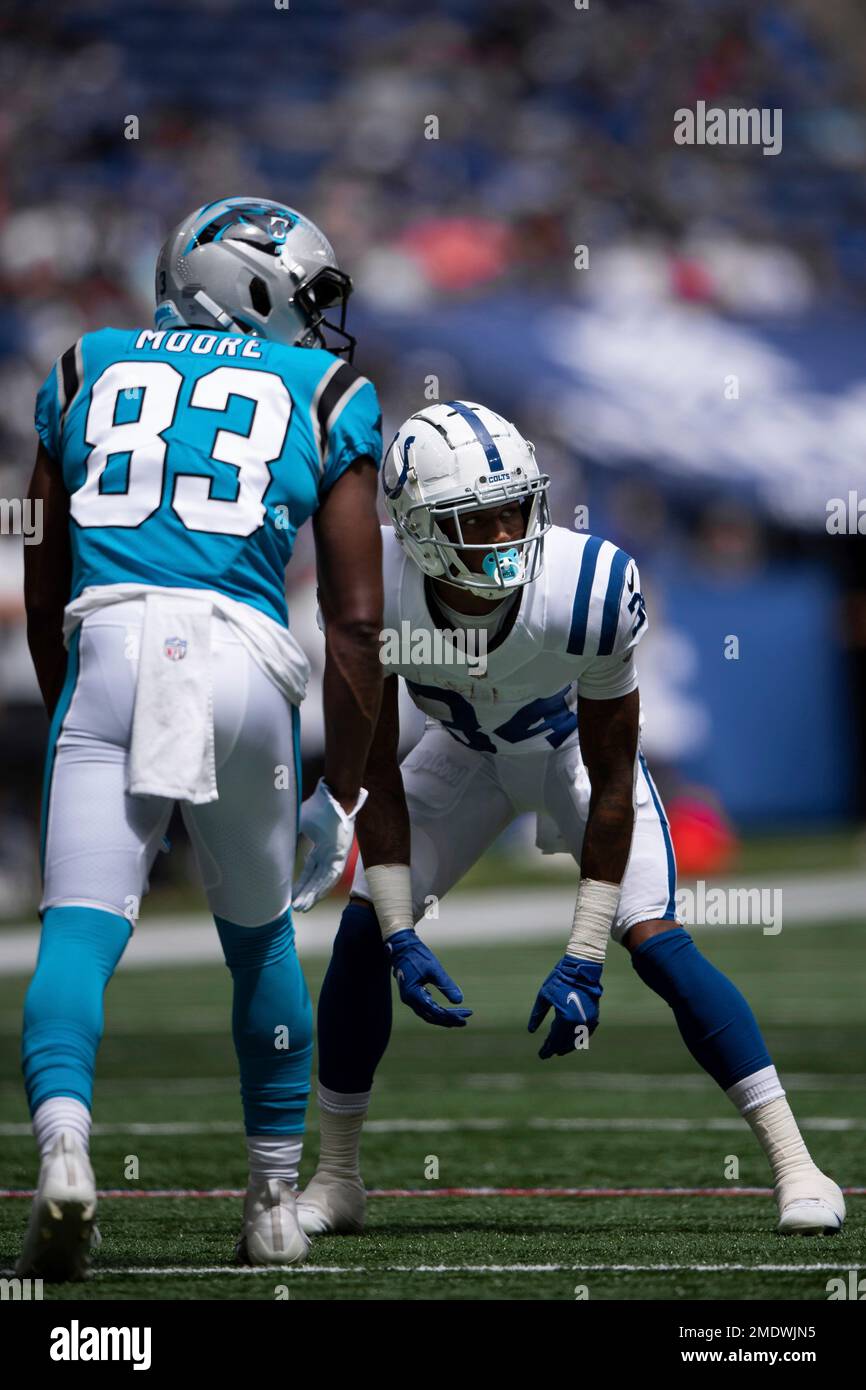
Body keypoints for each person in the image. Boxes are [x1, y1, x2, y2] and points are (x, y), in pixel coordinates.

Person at [296, 399, 846, 1241]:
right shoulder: (378, 588)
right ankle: (335, 1179)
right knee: (362, 935)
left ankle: (797, 1164)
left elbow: (614, 781)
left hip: (570, 757)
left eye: (515, 507)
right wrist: (403, 929)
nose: (505, 532)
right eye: (476, 519)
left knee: (657, 938)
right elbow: (377, 771)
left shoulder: (586, 587)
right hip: (460, 757)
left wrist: (587, 952)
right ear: (412, 529)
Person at [18, 196, 385, 1278]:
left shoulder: (85, 362)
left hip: (110, 636)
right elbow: (358, 621)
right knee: (260, 940)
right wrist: (345, 793)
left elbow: (44, 570)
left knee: (78, 935)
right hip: (244, 658)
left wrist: (74, 708)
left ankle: (67, 1153)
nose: (318, 325)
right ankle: (273, 1198)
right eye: (306, 299)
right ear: (250, 286)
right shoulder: (324, 390)